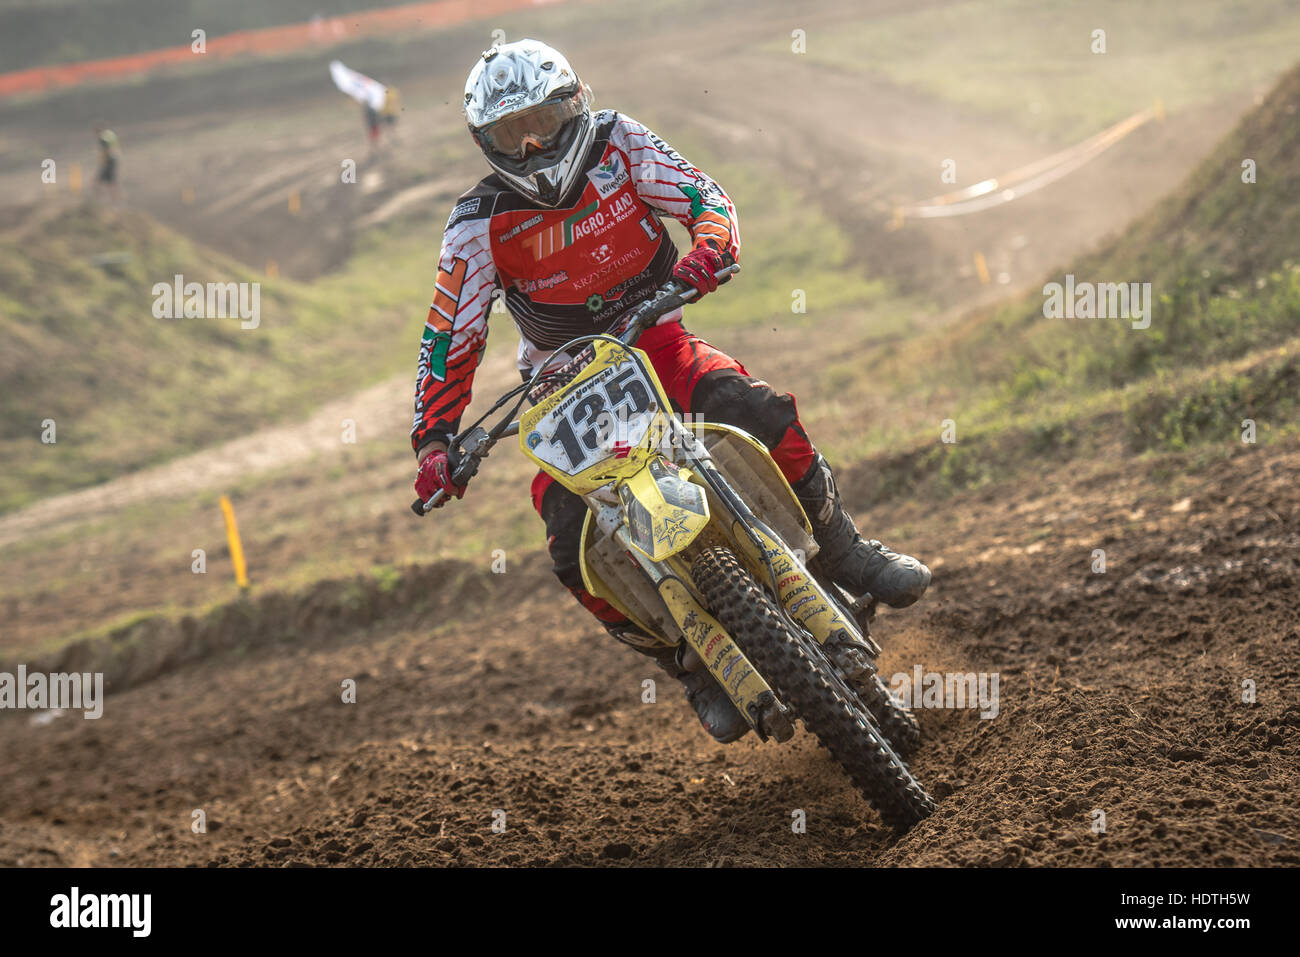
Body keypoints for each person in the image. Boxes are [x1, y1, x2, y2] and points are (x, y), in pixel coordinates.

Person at [410, 40, 930, 743]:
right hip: (566, 388)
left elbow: (702, 196)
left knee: (761, 411)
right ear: (486, 143)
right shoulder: (475, 225)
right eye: (510, 134)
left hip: (658, 342)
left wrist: (712, 246)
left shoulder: (618, 142)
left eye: (540, 121)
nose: (531, 144)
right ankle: (688, 659)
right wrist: (436, 441)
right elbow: (450, 335)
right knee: (570, 541)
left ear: (573, 104)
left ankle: (840, 547)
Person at [93, 125, 121, 203]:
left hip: (108, 161)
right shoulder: (110, 134)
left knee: (98, 182)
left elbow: (105, 150)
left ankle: (98, 201)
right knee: (111, 182)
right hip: (114, 159)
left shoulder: (103, 139)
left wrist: (103, 162)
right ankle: (115, 201)